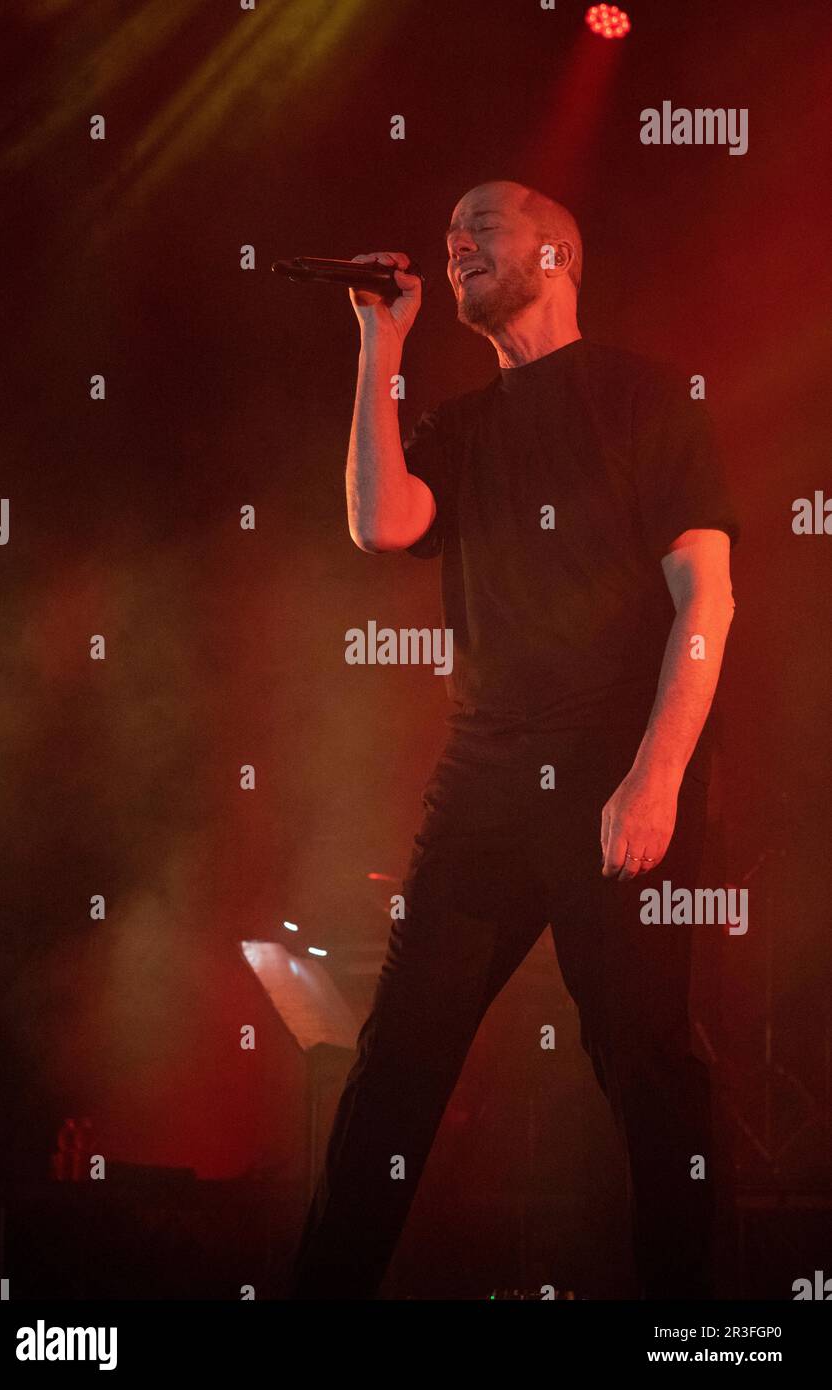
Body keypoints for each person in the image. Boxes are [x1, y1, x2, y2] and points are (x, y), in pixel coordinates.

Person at [287, 179, 739, 1299]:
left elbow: (707, 599)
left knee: (647, 1072)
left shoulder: (643, 400)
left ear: (559, 252)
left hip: (611, 765)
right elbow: (376, 522)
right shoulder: (462, 425)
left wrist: (654, 775)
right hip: (484, 777)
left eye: (480, 226)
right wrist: (378, 346)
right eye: (447, 237)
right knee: (395, 1061)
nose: (454, 247)